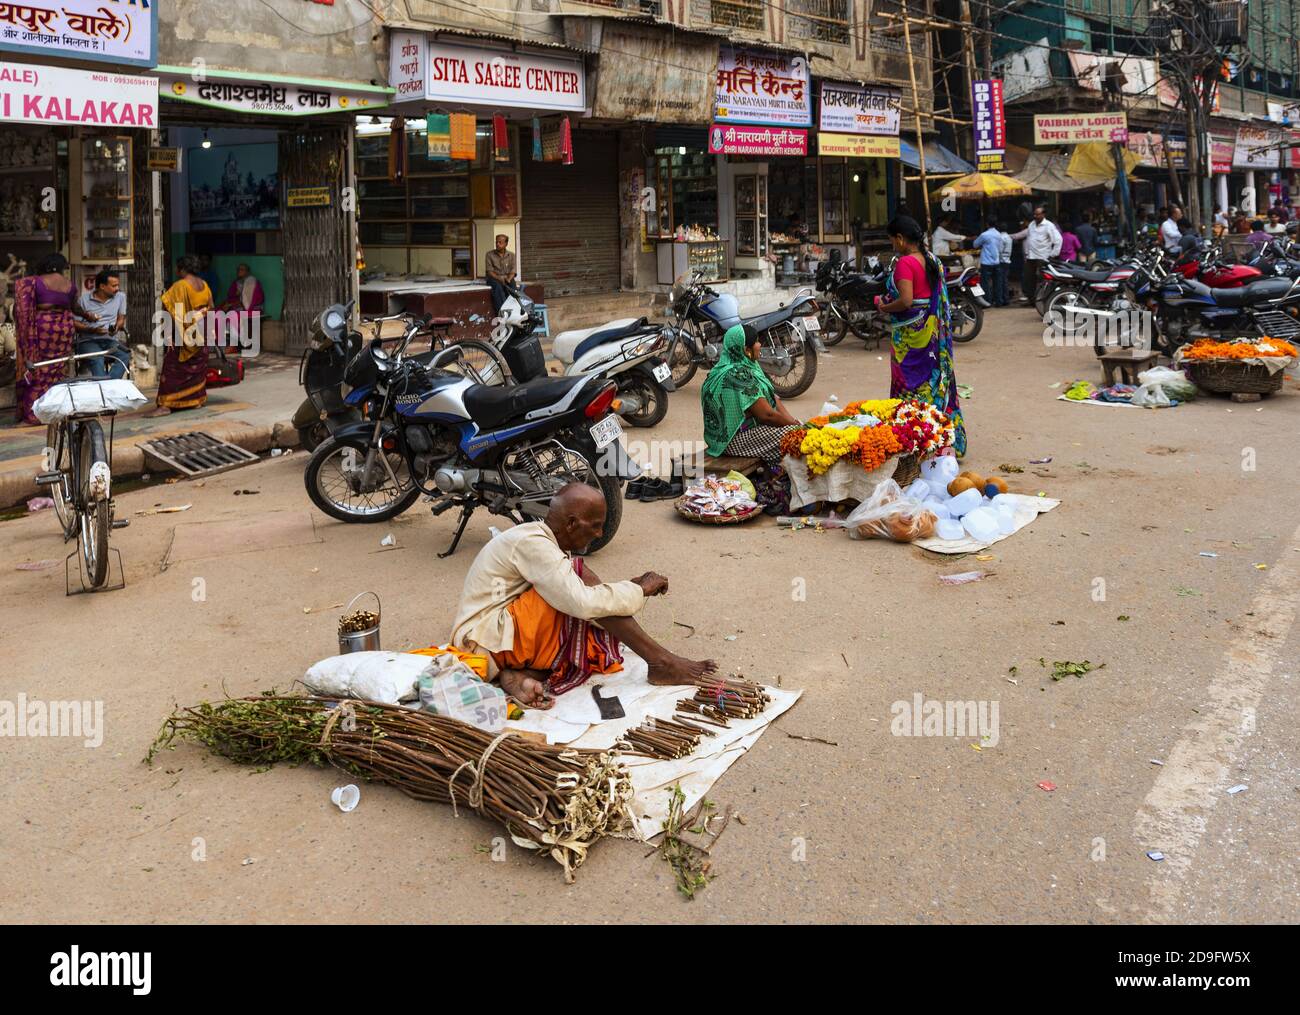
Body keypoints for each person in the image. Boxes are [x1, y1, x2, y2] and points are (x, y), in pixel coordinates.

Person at [449, 483, 717, 707]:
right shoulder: (533, 544)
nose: (600, 533)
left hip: (496, 637)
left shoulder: (541, 540)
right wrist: (638, 589)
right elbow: (582, 602)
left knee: (583, 595)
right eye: (596, 526)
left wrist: (629, 587)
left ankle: (518, 673)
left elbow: (575, 595)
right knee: (580, 582)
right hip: (482, 640)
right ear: (572, 523)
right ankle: (660, 661)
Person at [872, 215, 966, 457]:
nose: (892, 244)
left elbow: (906, 301)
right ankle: (939, 437)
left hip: (910, 339)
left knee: (909, 388)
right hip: (931, 334)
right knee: (932, 384)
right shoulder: (932, 259)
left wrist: (883, 306)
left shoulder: (905, 263)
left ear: (901, 239)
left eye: (892, 240)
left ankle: (914, 442)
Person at [701, 324, 800, 465]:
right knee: (798, 440)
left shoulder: (746, 365)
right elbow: (767, 415)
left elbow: (774, 399)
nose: (760, 345)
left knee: (797, 430)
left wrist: (794, 423)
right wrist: (795, 427)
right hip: (732, 440)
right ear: (746, 350)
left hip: (738, 434)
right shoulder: (737, 374)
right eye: (757, 342)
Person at [13, 253, 76, 425]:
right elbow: (75, 308)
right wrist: (90, 318)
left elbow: (20, 309)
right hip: (64, 330)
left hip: (42, 329)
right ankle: (53, 409)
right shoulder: (70, 285)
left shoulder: (33, 282)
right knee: (56, 369)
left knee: (37, 368)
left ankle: (33, 413)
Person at [147, 256, 213, 417]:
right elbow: (211, 307)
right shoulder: (204, 285)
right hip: (201, 332)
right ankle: (193, 400)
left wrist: (168, 335)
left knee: (171, 370)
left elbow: (171, 312)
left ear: (182, 269)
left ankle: (166, 405)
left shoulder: (180, 286)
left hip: (184, 334)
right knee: (195, 370)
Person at [73, 268, 130, 380]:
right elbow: (75, 323)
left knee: (125, 355)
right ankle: (106, 386)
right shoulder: (83, 300)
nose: (117, 289)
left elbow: (121, 318)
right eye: (114, 286)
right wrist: (92, 330)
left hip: (110, 339)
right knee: (97, 359)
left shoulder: (121, 297)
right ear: (102, 286)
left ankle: (107, 384)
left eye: (118, 285)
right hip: (88, 340)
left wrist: (116, 328)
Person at [1009, 204, 1062, 305]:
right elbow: (1028, 238)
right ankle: (1031, 300)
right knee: (1028, 279)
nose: (1036, 216)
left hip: (1043, 257)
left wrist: (1053, 254)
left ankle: (1046, 300)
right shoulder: (1031, 225)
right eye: (1035, 214)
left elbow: (1058, 240)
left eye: (1038, 214)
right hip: (1031, 257)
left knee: (1044, 279)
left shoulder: (1049, 226)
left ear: (1043, 214)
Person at [970, 217, 1005, 307]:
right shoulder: (999, 235)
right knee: (997, 282)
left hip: (986, 262)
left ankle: (987, 301)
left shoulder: (984, 235)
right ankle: (998, 301)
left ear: (987, 224)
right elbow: (1001, 249)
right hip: (996, 262)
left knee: (985, 282)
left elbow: (975, 244)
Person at [484, 234, 516, 313]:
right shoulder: (489, 254)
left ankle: (514, 309)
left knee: (512, 285)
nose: (497, 244)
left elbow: (513, 270)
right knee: (498, 287)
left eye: (500, 242)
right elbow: (489, 271)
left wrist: (508, 279)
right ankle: (502, 311)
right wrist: (500, 279)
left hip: (506, 277)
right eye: (496, 242)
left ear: (506, 244)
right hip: (493, 278)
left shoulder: (511, 255)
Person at [997, 224, 1013, 305]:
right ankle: (1006, 299)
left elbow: (999, 250)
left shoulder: (1001, 237)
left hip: (1002, 261)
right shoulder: (1009, 237)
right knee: (1005, 281)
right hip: (1007, 261)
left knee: (1000, 281)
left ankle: (1001, 300)